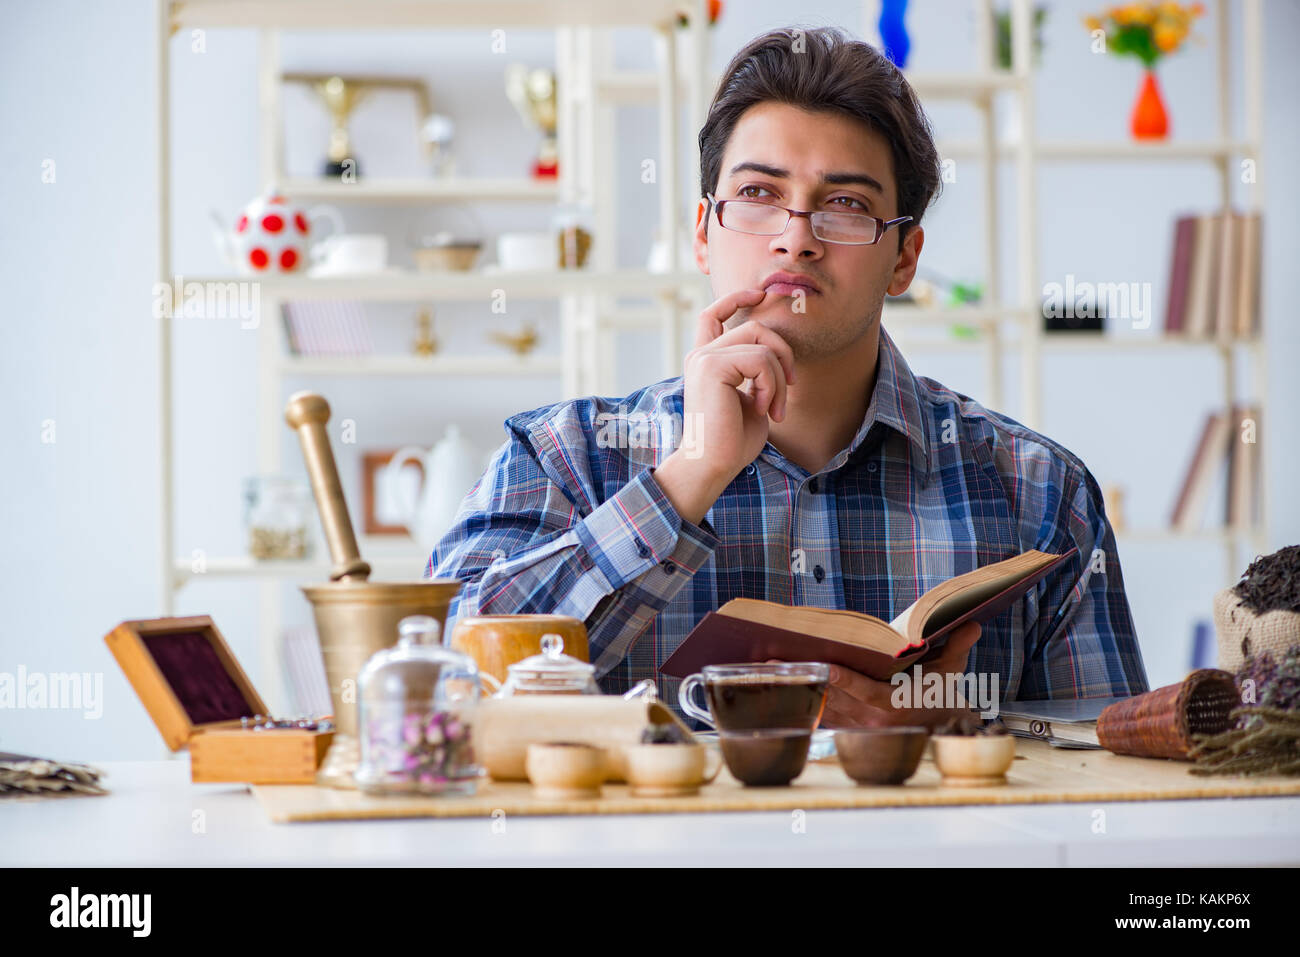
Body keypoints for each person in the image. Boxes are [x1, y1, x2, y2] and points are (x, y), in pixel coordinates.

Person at [428, 25, 1149, 730]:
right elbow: (433, 698)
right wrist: (686, 479)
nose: (795, 235)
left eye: (845, 205)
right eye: (757, 193)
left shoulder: (1041, 492)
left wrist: (959, 746)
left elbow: (1107, 777)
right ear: (703, 232)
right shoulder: (561, 457)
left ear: (904, 257)